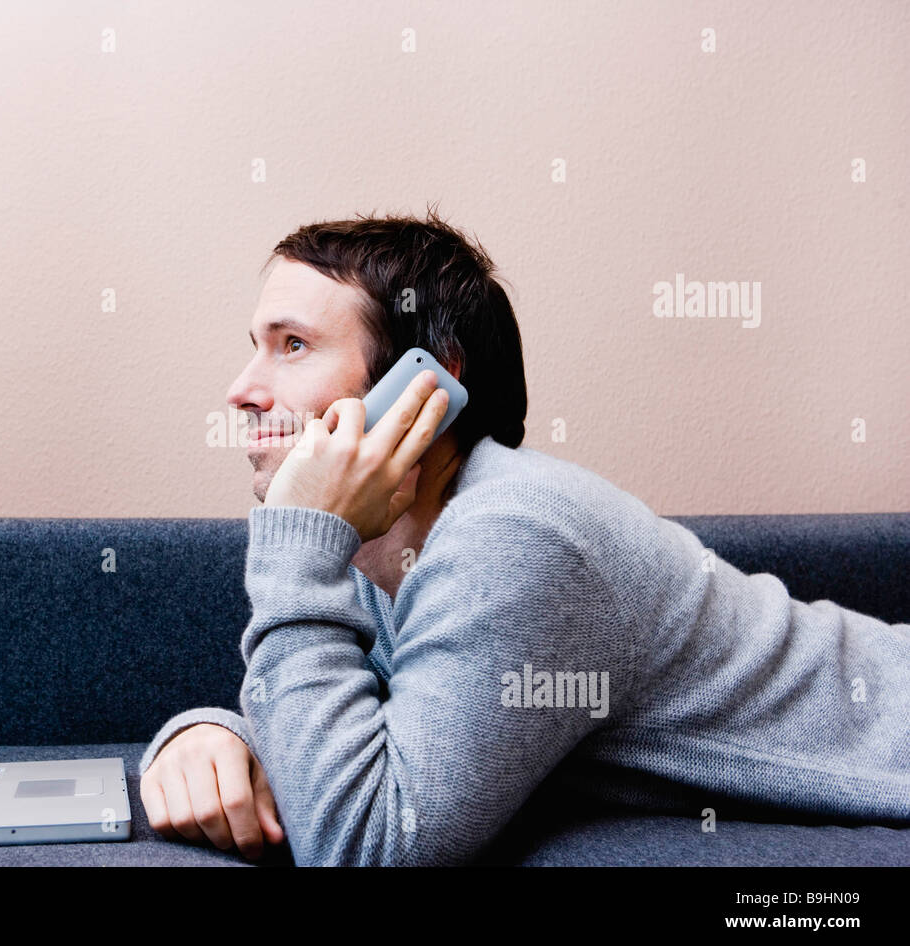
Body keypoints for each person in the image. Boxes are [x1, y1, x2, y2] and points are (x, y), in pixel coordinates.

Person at [138, 207, 910, 865]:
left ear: (422, 390)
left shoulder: (517, 535)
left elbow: (368, 842)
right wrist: (215, 734)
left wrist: (299, 546)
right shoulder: (378, 539)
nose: (241, 391)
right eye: (255, 345)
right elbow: (372, 723)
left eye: (293, 345)